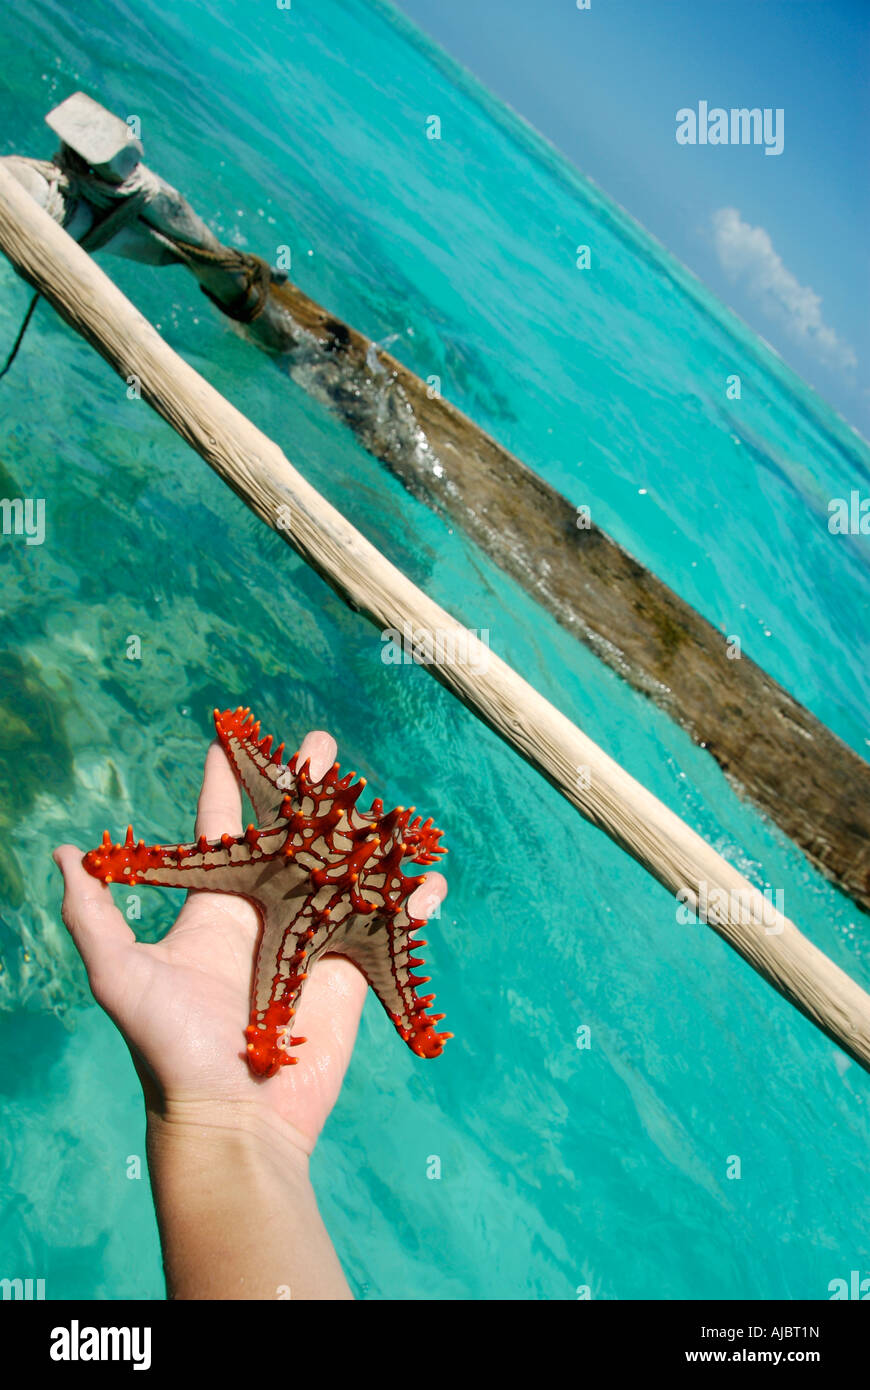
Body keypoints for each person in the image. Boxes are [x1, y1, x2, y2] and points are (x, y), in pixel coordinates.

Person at [52, 729, 447, 1300]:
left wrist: (221, 1114)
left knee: (174, 858)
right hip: (301, 860)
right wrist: (235, 1124)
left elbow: (280, 924)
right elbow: (291, 942)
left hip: (295, 851)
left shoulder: (310, 839)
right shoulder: (334, 865)